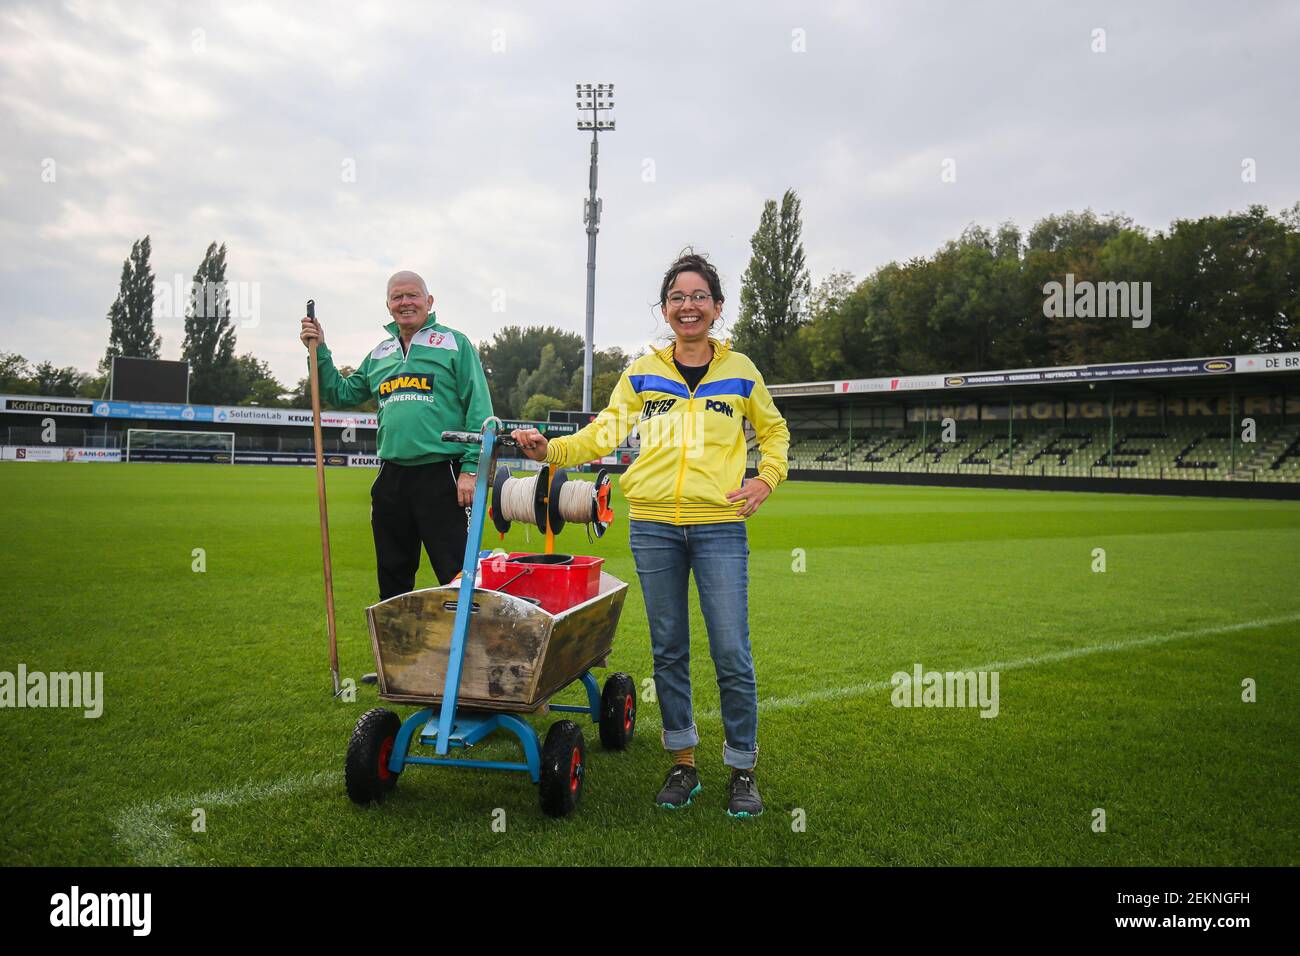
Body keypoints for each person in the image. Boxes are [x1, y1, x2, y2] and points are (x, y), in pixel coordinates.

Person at [512, 250, 789, 818]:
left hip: (718, 527)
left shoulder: (742, 370)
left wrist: (766, 479)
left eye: (698, 297)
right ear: (665, 309)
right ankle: (683, 762)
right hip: (655, 527)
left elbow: (775, 429)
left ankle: (742, 768)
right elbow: (604, 434)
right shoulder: (641, 371)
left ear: (716, 307)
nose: (688, 306)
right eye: (677, 298)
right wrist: (552, 452)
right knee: (669, 649)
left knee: (732, 651)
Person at [299, 270, 493, 605]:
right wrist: (319, 350)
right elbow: (339, 392)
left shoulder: (454, 344)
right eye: (397, 297)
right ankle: (399, 652)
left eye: (413, 295)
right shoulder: (379, 354)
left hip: (442, 474)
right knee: (393, 576)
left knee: (458, 574)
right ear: (388, 305)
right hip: (392, 476)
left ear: (429, 302)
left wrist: (471, 467)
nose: (405, 303)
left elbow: (480, 409)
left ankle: (468, 650)